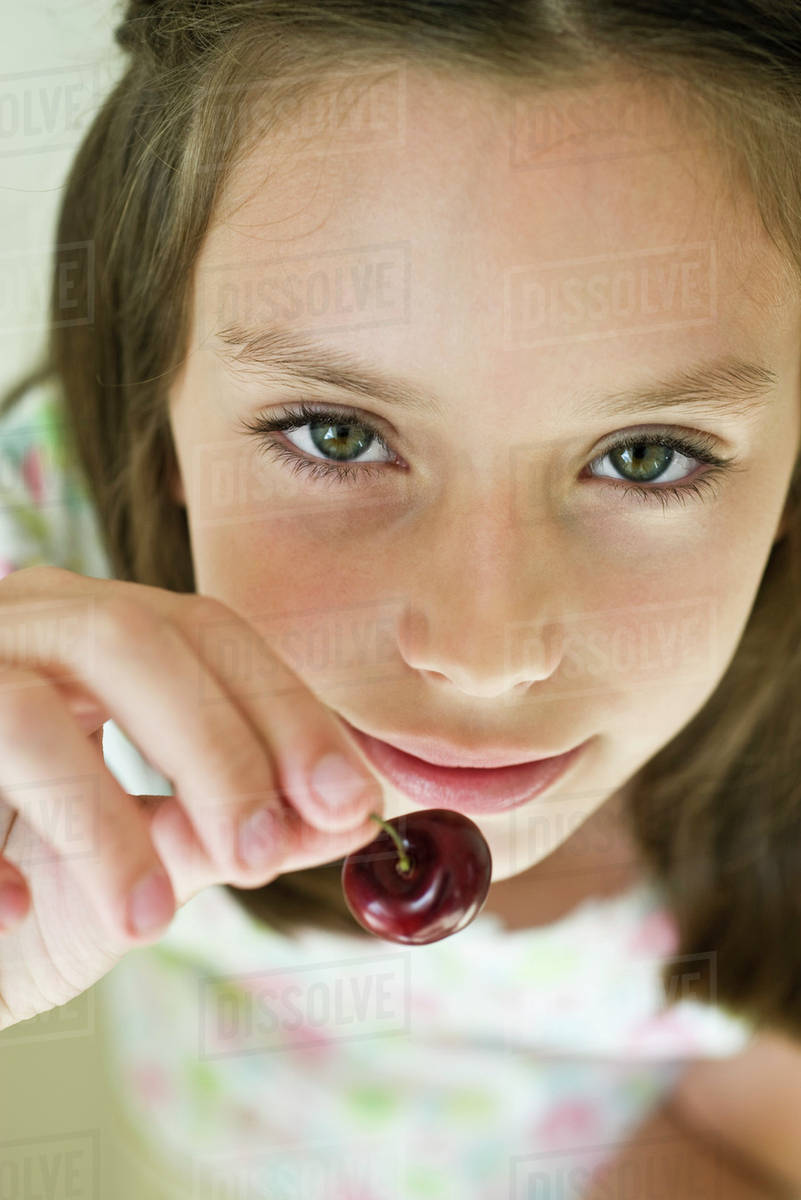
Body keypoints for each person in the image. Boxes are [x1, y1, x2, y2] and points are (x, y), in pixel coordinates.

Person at [1, 2, 801, 1195]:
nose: (483, 653)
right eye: (337, 434)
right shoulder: (43, 577)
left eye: (647, 456)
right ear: (153, 391)